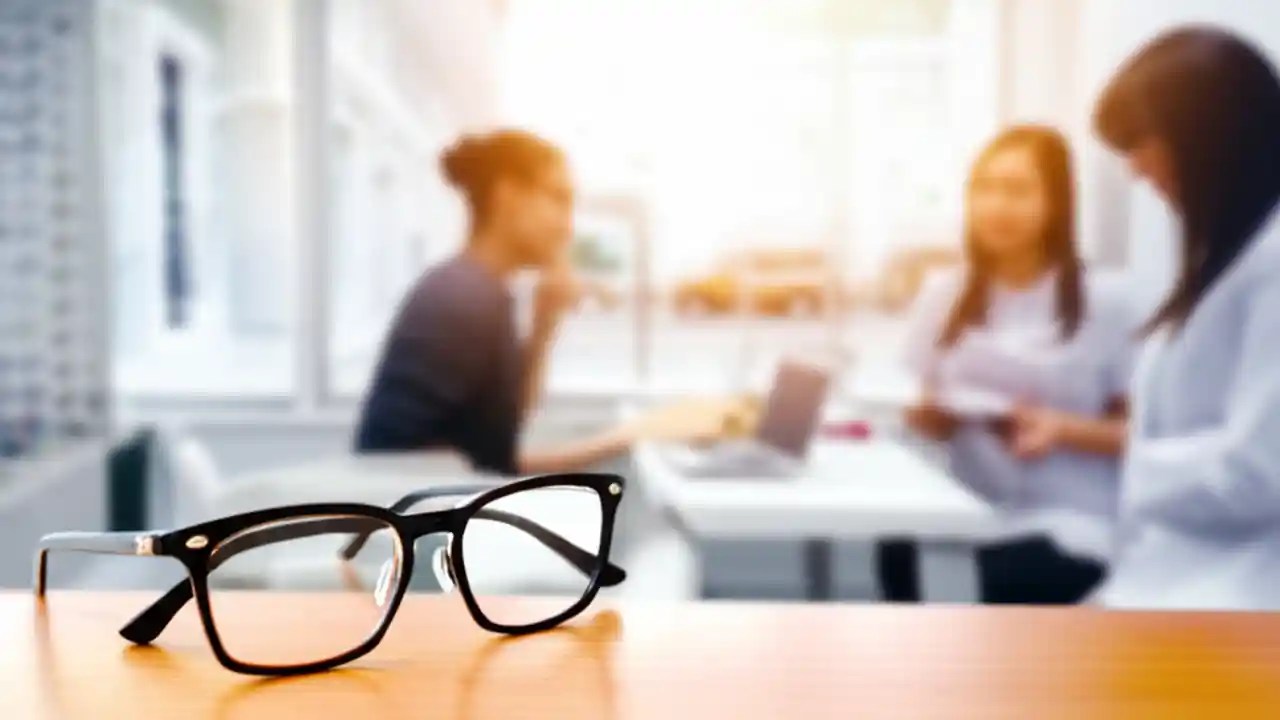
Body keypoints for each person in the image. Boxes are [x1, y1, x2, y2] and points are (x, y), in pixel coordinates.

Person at [356, 129, 726, 474]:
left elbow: (503, 426)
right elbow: (494, 468)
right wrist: (633, 435)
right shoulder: (464, 298)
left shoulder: (479, 288)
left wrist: (544, 324)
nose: (568, 227)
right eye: (559, 201)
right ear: (510, 197)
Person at [877, 125, 1137, 604]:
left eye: (1017, 191)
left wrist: (1061, 428)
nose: (996, 206)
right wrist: (931, 417)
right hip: (964, 510)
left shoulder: (1109, 299)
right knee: (897, 552)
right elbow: (923, 412)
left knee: (989, 584)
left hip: (1069, 521)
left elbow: (1144, 433)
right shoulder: (945, 294)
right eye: (984, 189)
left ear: (1056, 202)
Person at [1090, 27, 1280, 609]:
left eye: (1143, 142)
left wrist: (1140, 463)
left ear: (1208, 136)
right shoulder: (1234, 257)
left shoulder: (1272, 264)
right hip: (1179, 583)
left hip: (1237, 598)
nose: (1136, 170)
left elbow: (1258, 471)